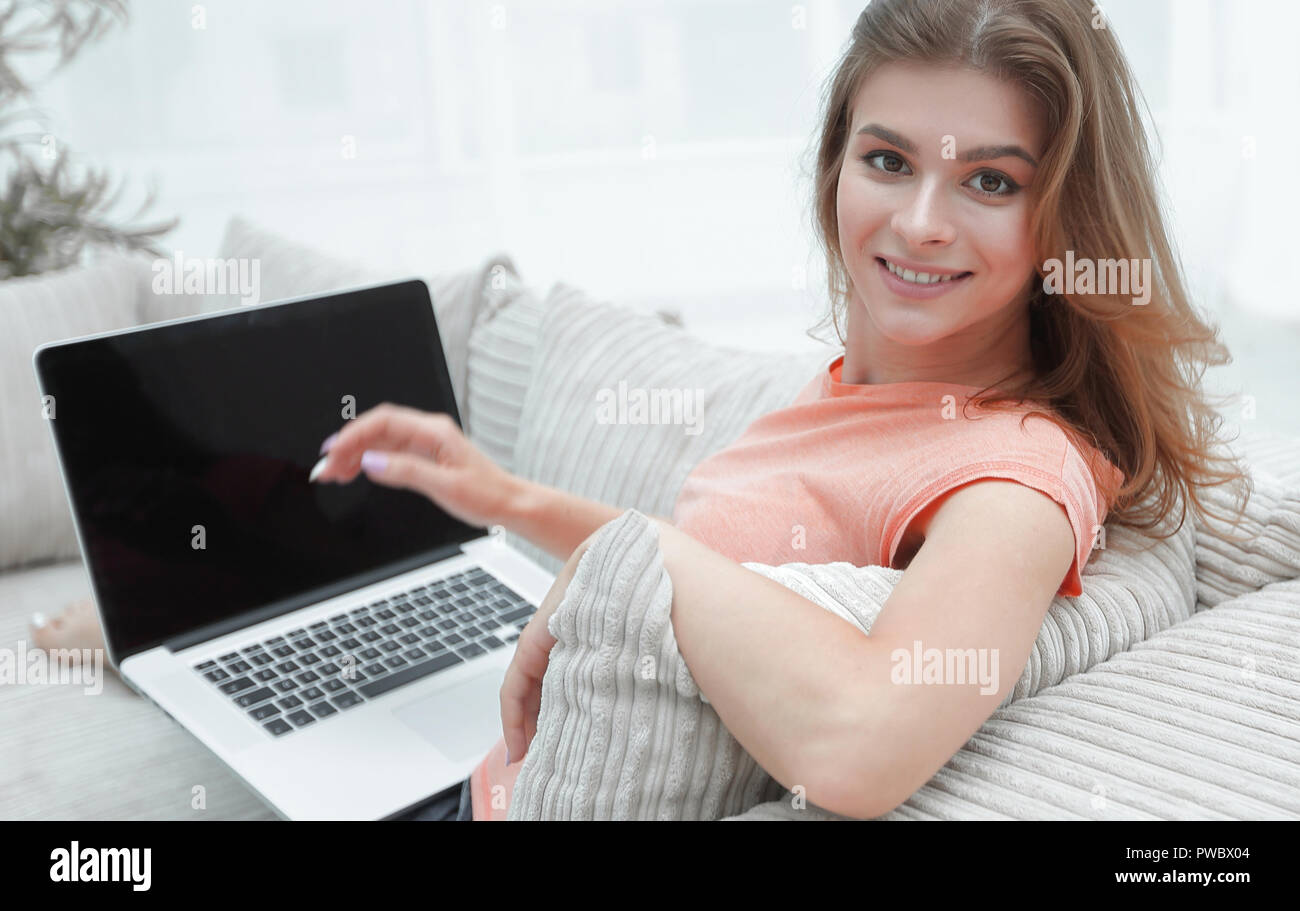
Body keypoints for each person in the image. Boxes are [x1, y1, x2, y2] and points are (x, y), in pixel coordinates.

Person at [33, 0, 1250, 821]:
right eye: (886, 160)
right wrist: (499, 493)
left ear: (1065, 221)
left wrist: (635, 548)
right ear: (833, 167)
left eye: (990, 180)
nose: (921, 219)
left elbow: (863, 744)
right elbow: (730, 571)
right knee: (237, 504)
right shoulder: (876, 398)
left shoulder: (1012, 472)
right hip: (493, 753)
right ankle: (156, 617)